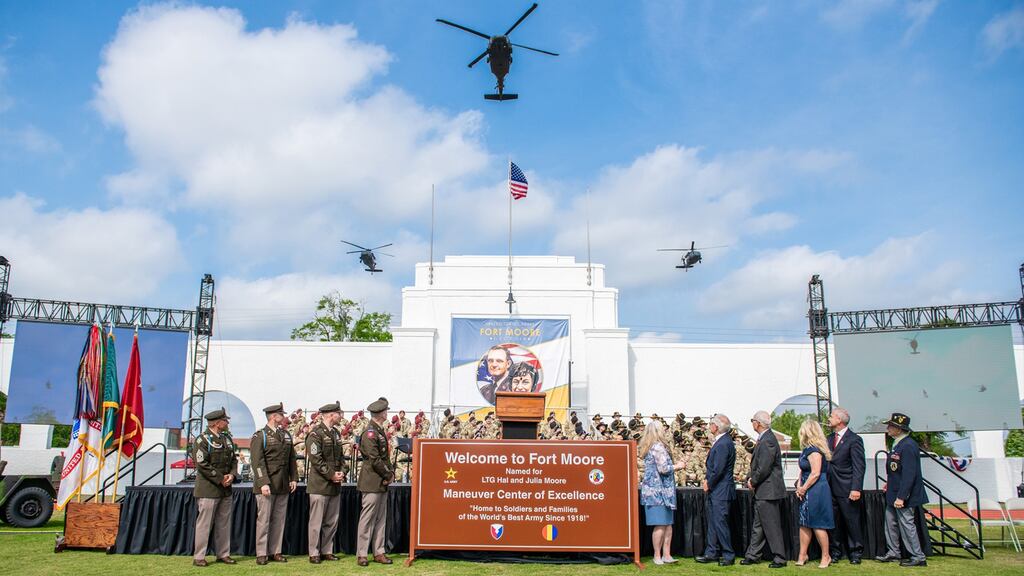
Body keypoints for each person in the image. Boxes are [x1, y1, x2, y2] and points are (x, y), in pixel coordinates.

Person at [875, 412, 928, 567]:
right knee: (890, 523)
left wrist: (902, 496)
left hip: (903, 494)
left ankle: (918, 556)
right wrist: (889, 484)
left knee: (906, 524)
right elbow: (896, 470)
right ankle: (893, 552)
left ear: (899, 429)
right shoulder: (898, 444)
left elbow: (909, 474)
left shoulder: (908, 445)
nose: (888, 428)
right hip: (894, 491)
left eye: (891, 426)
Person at [250, 403, 298, 565]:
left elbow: (291, 458)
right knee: (264, 520)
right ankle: (261, 553)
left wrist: (293, 478)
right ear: (273, 416)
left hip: (282, 483)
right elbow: (257, 462)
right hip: (267, 484)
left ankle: (275, 551)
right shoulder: (260, 435)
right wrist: (263, 482)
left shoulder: (285, 435)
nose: (284, 417)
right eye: (281, 415)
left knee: (279, 520)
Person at [192, 407, 238, 567]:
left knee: (224, 523)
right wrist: (220, 478)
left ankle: (223, 554)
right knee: (204, 524)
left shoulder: (227, 439)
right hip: (209, 488)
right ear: (217, 423)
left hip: (225, 489)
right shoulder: (202, 440)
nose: (227, 423)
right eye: (225, 420)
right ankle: (199, 556)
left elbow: (233, 460)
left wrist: (232, 474)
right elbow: (201, 463)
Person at [741, 411, 787, 568]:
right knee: (759, 525)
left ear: (758, 423)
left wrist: (753, 481)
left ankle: (780, 557)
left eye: (752, 420)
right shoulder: (765, 439)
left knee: (771, 525)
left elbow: (764, 467)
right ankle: (753, 555)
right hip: (764, 491)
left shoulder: (768, 440)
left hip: (768, 490)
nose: (752, 423)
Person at [639, 420, 687, 565]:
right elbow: (664, 469)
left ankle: (666, 554)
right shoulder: (658, 447)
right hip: (658, 493)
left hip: (660, 492)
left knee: (667, 524)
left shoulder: (650, 446)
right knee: (661, 524)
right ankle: (657, 555)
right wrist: (678, 466)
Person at [357, 397, 397, 566]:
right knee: (367, 519)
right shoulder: (370, 432)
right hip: (372, 481)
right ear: (381, 413)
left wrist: (390, 473)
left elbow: (384, 457)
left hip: (380, 481)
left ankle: (379, 552)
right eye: (386, 410)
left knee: (380, 519)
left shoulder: (378, 430)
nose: (387, 413)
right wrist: (388, 475)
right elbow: (374, 459)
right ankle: (362, 554)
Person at [306, 401, 347, 564]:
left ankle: (327, 550)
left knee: (331, 521)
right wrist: (331, 475)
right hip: (320, 484)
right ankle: (314, 552)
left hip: (334, 485)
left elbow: (342, 457)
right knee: (316, 522)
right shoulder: (315, 434)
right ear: (331, 415)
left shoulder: (336, 433)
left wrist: (342, 472)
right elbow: (316, 459)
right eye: (338, 413)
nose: (341, 416)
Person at [827, 407, 866, 564]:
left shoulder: (854, 439)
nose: (828, 418)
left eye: (831, 416)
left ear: (839, 420)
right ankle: (835, 551)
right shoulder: (829, 438)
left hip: (846, 487)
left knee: (851, 521)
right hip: (830, 486)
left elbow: (859, 466)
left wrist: (856, 488)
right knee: (834, 521)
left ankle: (855, 552)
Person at [696, 414, 736, 566]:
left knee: (720, 522)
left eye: (711, 423)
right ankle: (711, 552)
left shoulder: (723, 443)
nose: (709, 426)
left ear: (716, 426)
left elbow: (719, 469)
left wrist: (709, 482)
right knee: (713, 522)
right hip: (718, 489)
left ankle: (728, 554)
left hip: (721, 489)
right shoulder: (722, 442)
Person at [795, 419, 834, 568]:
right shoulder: (806, 450)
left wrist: (804, 488)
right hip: (806, 487)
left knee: (818, 523)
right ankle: (802, 554)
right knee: (804, 522)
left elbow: (815, 473)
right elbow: (803, 470)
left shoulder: (815, 451)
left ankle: (826, 556)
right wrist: (799, 485)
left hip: (816, 489)